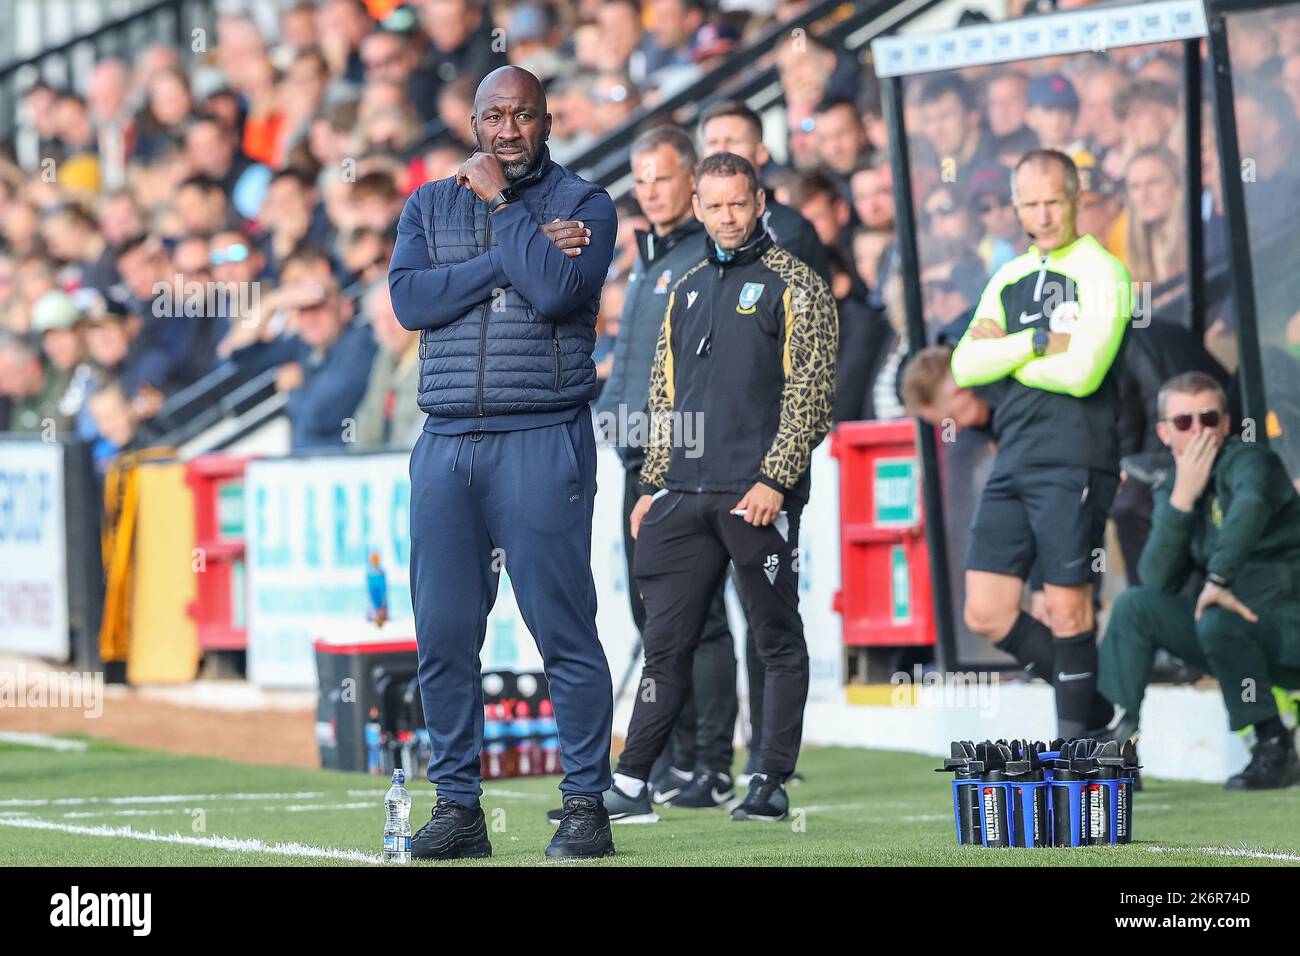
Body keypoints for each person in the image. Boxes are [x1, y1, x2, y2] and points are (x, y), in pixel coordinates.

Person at [388, 65, 617, 860]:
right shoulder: (426, 202)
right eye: (494, 116)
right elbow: (412, 303)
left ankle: (586, 804)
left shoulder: (586, 203)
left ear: (547, 122)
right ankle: (459, 810)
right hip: (446, 442)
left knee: (564, 630)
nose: (508, 131)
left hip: (542, 438)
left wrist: (501, 208)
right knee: (444, 636)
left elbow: (555, 291)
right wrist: (501, 256)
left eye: (523, 116)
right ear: (474, 122)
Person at [597, 151, 837, 824]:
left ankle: (769, 781)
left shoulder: (798, 283)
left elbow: (812, 396)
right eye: (715, 205)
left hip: (755, 496)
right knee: (664, 645)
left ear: (759, 201)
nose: (728, 217)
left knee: (775, 640)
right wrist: (653, 484)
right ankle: (635, 784)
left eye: (739, 203)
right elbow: (667, 397)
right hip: (684, 497)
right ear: (697, 207)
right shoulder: (688, 286)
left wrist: (775, 479)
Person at [927, 149, 1131, 740]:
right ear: (1016, 206)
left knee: (1068, 608)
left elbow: (1084, 372)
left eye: (1053, 202)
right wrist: (1041, 340)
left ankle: (1077, 749)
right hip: (1014, 455)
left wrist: (1009, 348)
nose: (1041, 215)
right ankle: (1099, 714)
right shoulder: (1009, 275)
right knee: (985, 611)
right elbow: (964, 365)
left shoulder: (1103, 271)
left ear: (1075, 200)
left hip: (1076, 454)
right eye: (1030, 204)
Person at [591, 125, 736, 809]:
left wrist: (673, 457)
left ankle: (711, 766)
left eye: (664, 177)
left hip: (682, 463)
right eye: (641, 180)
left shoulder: (707, 257)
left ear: (693, 179)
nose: (651, 191)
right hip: (638, 460)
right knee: (654, 615)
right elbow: (635, 369)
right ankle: (673, 761)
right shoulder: (648, 258)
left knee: (698, 618)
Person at [1099, 372, 1300, 789]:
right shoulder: (1176, 485)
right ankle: (1124, 740)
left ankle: (1273, 747)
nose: (1200, 431)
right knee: (1135, 606)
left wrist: (1219, 579)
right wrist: (1180, 501)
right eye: (1184, 422)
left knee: (1216, 619)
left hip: (1288, 625)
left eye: (1209, 419)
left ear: (1226, 424)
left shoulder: (1252, 461)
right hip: (1232, 634)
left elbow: (1250, 507)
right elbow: (1155, 579)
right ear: (1165, 433)